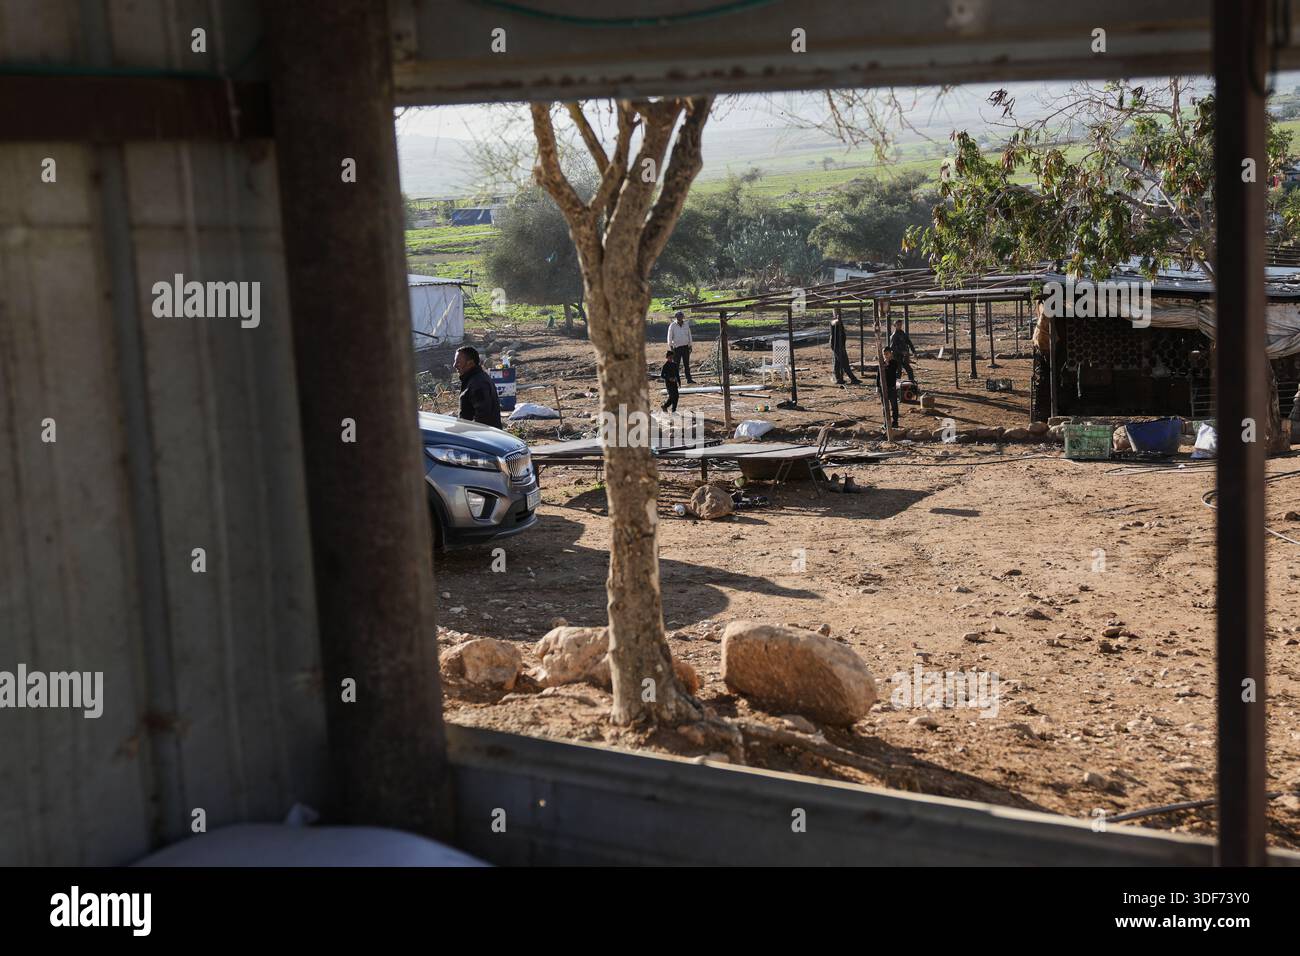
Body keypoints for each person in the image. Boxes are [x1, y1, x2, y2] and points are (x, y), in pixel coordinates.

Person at [453, 345, 502, 428]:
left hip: (482, 438)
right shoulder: (474, 379)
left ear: (470, 363)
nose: (454, 365)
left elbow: (482, 420)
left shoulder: (478, 383)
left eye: (458, 362)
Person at [829, 310, 860, 385]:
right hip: (836, 345)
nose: (838, 314)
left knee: (838, 362)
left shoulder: (840, 321)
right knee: (844, 362)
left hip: (841, 345)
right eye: (836, 313)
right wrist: (837, 319)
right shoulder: (833, 321)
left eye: (839, 313)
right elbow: (834, 323)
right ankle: (853, 379)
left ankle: (839, 379)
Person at [667, 310, 694, 384]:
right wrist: (671, 347)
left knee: (686, 364)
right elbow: (669, 336)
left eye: (681, 316)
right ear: (676, 317)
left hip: (685, 347)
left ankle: (689, 379)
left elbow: (689, 335)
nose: (680, 318)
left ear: (683, 317)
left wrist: (690, 345)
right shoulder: (672, 325)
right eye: (678, 316)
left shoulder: (686, 325)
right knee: (676, 365)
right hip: (676, 348)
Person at [877, 347, 901, 429]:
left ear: (890, 353)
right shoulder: (881, 362)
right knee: (884, 407)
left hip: (891, 387)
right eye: (884, 354)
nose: (885, 356)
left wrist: (887, 365)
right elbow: (878, 375)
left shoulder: (894, 363)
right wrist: (877, 386)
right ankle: (886, 422)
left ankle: (895, 422)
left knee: (894, 406)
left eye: (887, 354)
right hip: (883, 388)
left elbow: (893, 373)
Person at [889, 319, 917, 385]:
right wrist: (901, 352)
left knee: (909, 370)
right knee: (898, 372)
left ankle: (912, 384)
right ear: (895, 325)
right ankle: (895, 386)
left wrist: (913, 351)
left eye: (900, 325)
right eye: (898, 325)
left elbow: (909, 342)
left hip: (904, 356)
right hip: (897, 356)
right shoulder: (894, 336)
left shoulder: (902, 333)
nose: (900, 326)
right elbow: (892, 348)